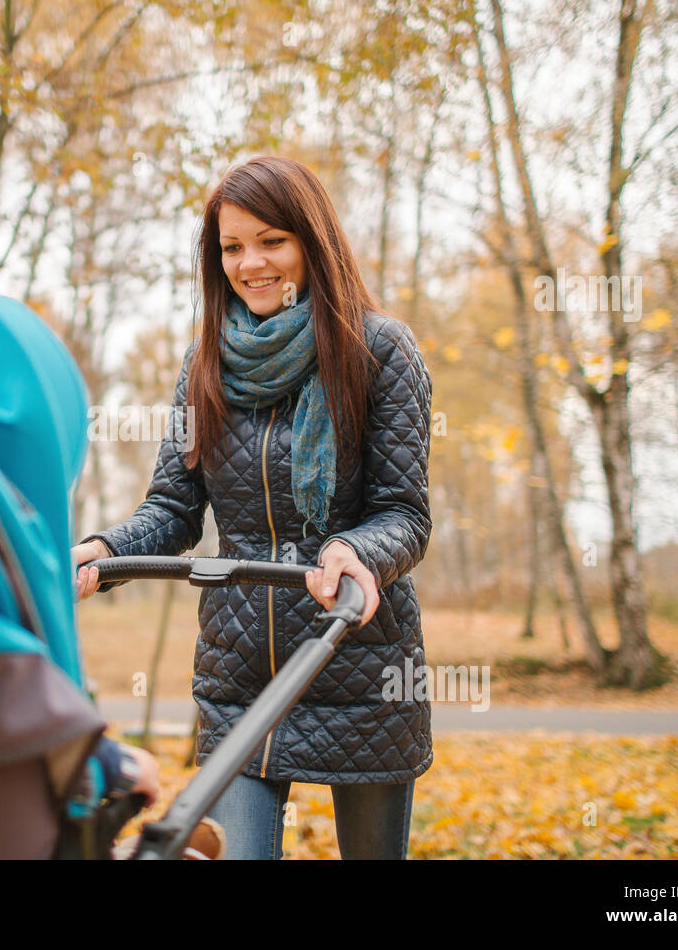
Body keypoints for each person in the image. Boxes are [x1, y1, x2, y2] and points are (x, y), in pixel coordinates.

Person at [71, 155, 433, 860]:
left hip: (359, 666)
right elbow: (173, 508)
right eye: (232, 247)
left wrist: (356, 551)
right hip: (239, 678)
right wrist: (107, 551)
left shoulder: (380, 352)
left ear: (311, 242)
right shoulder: (204, 362)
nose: (250, 263)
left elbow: (405, 513)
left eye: (271, 240)